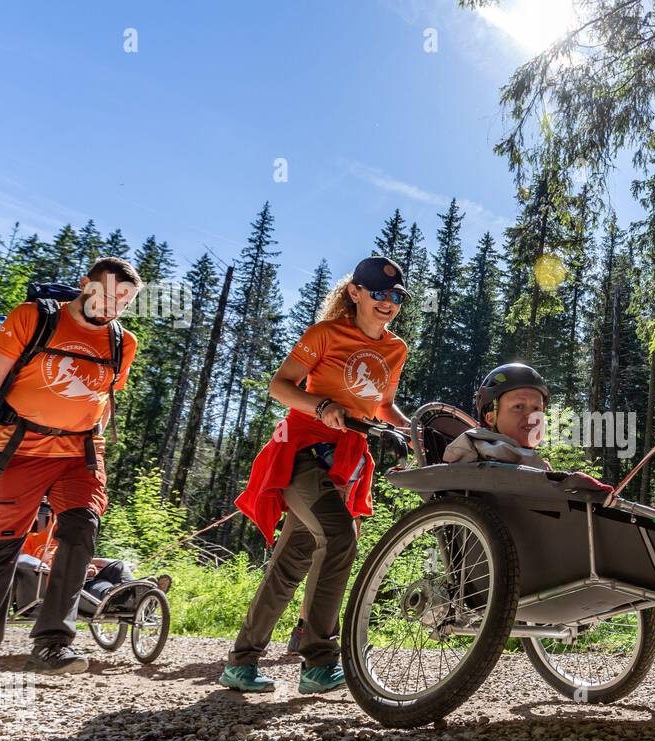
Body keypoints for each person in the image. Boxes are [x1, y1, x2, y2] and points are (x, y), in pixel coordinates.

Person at [221, 256, 410, 694]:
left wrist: (413, 430)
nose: (387, 303)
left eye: (396, 296)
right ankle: (319, 661)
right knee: (340, 536)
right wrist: (323, 408)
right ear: (355, 293)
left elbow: (381, 404)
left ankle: (241, 662)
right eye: (378, 294)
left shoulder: (395, 349)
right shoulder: (325, 334)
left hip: (345, 462)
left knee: (291, 562)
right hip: (302, 454)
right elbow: (281, 384)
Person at [0, 257, 141, 680]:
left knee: (81, 530)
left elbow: (104, 396)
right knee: (3, 544)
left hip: (81, 453)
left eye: (123, 300)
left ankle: (53, 644)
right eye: (106, 293)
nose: (112, 305)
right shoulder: (33, 318)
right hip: (20, 447)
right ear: (84, 285)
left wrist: (93, 436)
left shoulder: (123, 342)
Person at [443, 363, 552, 469]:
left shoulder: (527, 461)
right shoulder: (483, 454)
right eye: (519, 406)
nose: (531, 417)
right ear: (491, 418)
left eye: (537, 409)